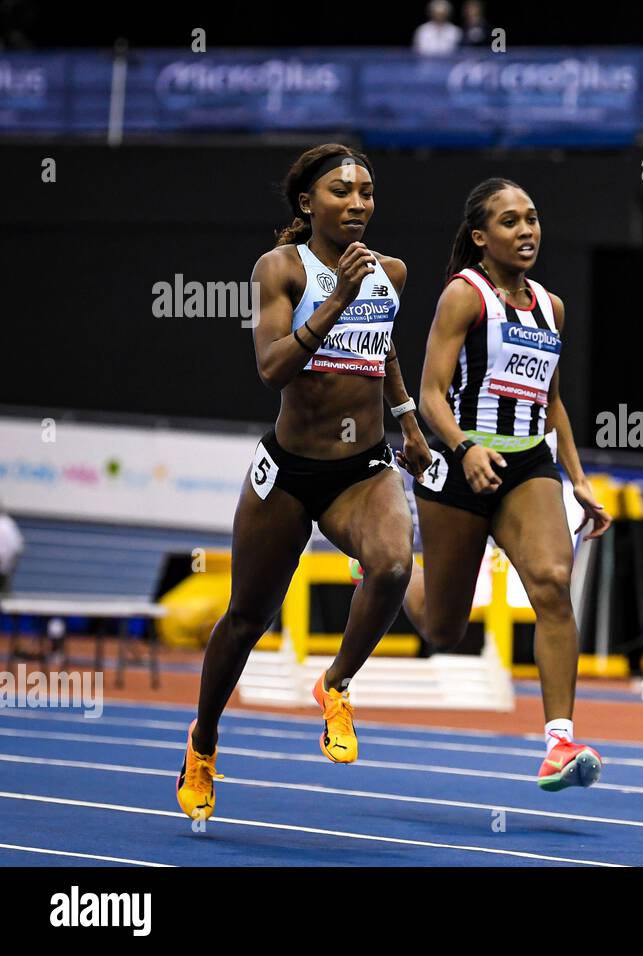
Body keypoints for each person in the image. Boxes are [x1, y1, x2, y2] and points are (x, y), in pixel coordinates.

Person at [177, 144, 433, 823]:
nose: (358, 204)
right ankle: (203, 742)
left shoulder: (392, 272)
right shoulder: (281, 269)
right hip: (289, 473)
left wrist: (408, 420)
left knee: (393, 565)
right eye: (342, 192)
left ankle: (336, 683)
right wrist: (339, 296)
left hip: (362, 469)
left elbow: (384, 346)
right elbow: (272, 369)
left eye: (368, 193)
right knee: (244, 620)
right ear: (306, 203)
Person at [401, 177, 612, 792]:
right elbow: (429, 394)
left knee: (552, 582)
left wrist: (579, 480)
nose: (527, 232)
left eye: (533, 219)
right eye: (511, 222)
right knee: (444, 627)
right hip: (458, 464)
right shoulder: (463, 298)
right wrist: (465, 448)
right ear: (480, 237)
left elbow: (549, 401)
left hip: (526, 467)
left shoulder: (553, 307)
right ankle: (387, 572)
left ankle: (557, 742)